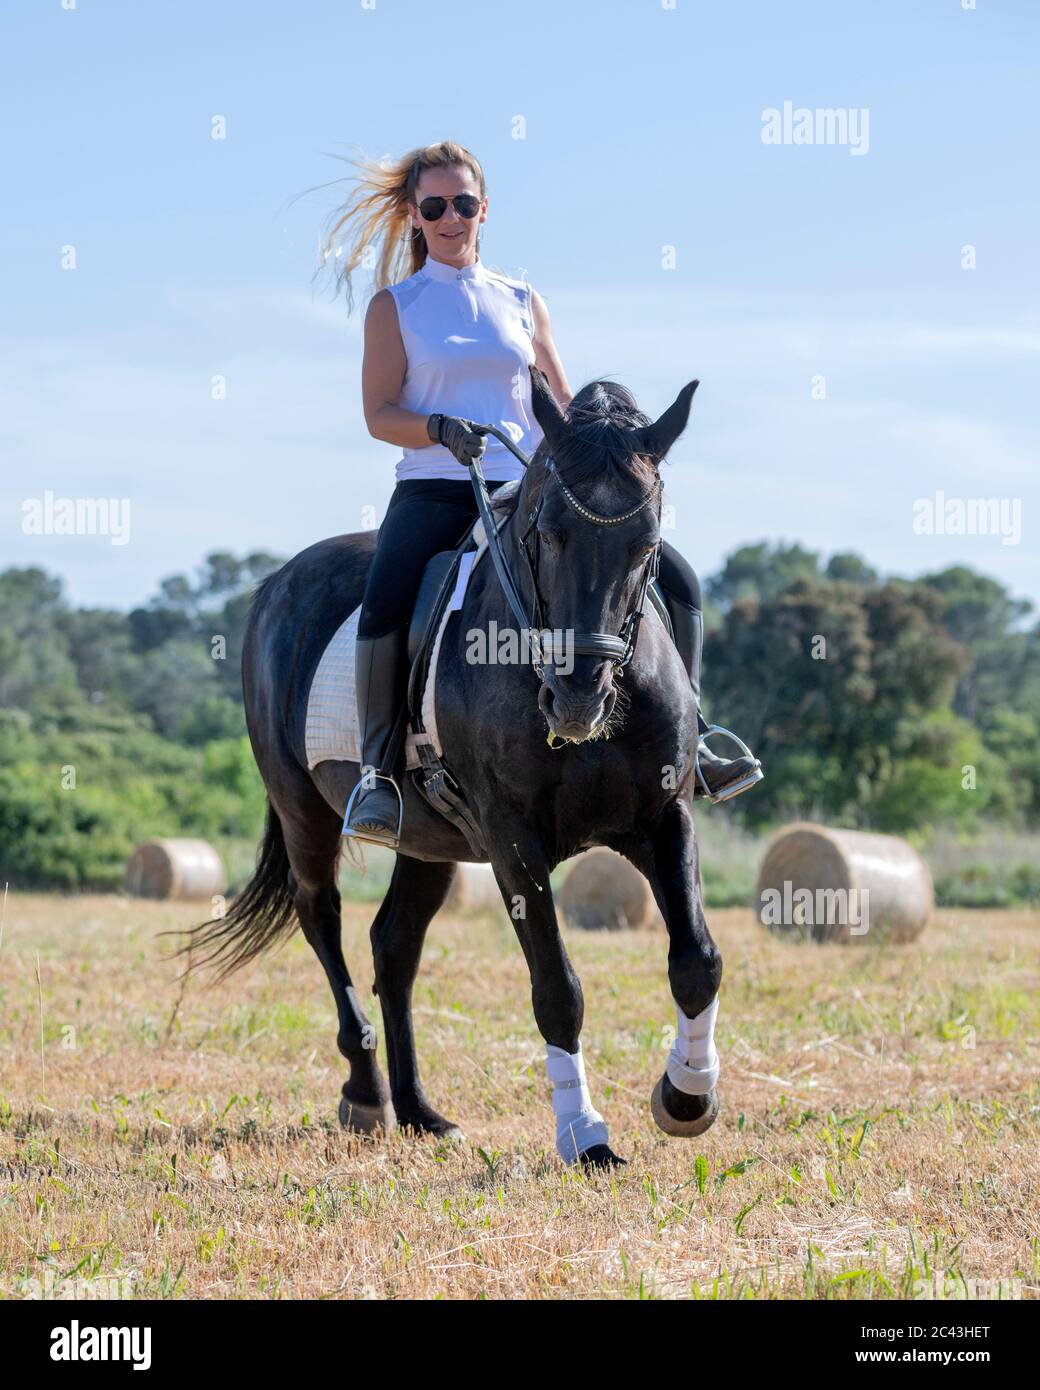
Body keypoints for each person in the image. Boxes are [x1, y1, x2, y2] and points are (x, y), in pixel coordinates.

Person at [321, 140, 761, 849]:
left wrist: (613, 442)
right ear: (414, 216)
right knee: (390, 594)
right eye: (435, 206)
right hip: (438, 487)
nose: (451, 218)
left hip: (529, 487)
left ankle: (695, 742)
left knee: (674, 573)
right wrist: (436, 426)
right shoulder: (393, 308)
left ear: (484, 209)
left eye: (464, 204)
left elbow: (562, 397)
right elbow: (379, 415)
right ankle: (378, 775)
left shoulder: (523, 300)